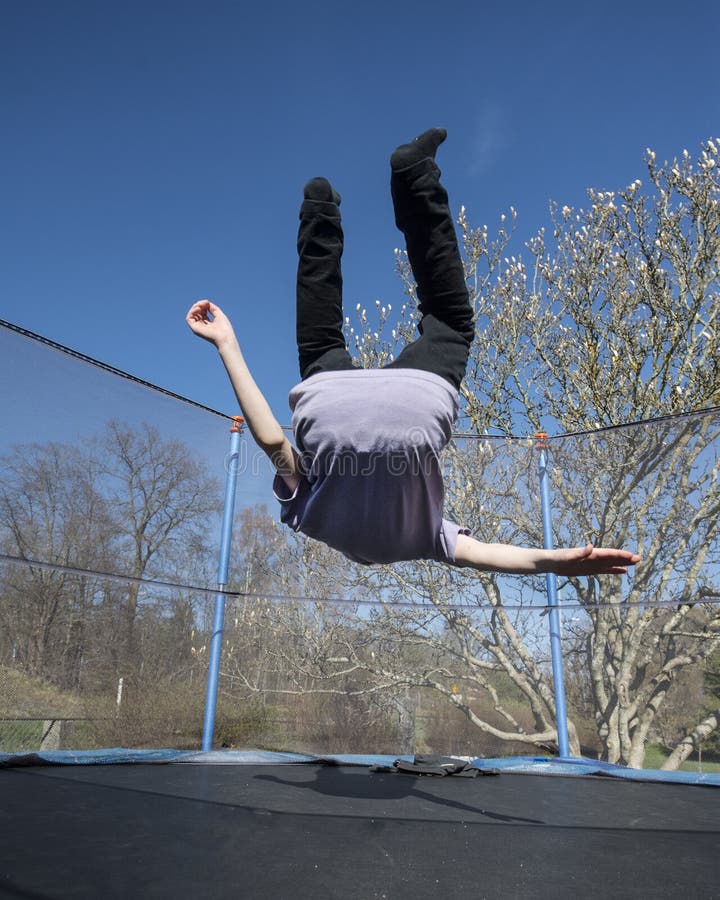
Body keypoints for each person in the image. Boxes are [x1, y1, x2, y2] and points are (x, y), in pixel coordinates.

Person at [186, 129, 640, 577]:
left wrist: (554, 563)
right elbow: (270, 441)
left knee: (450, 321)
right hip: (330, 405)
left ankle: (416, 176)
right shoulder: (311, 521)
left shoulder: (427, 540)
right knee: (319, 339)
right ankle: (318, 211)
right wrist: (227, 343)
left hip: (416, 407)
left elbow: (496, 555)